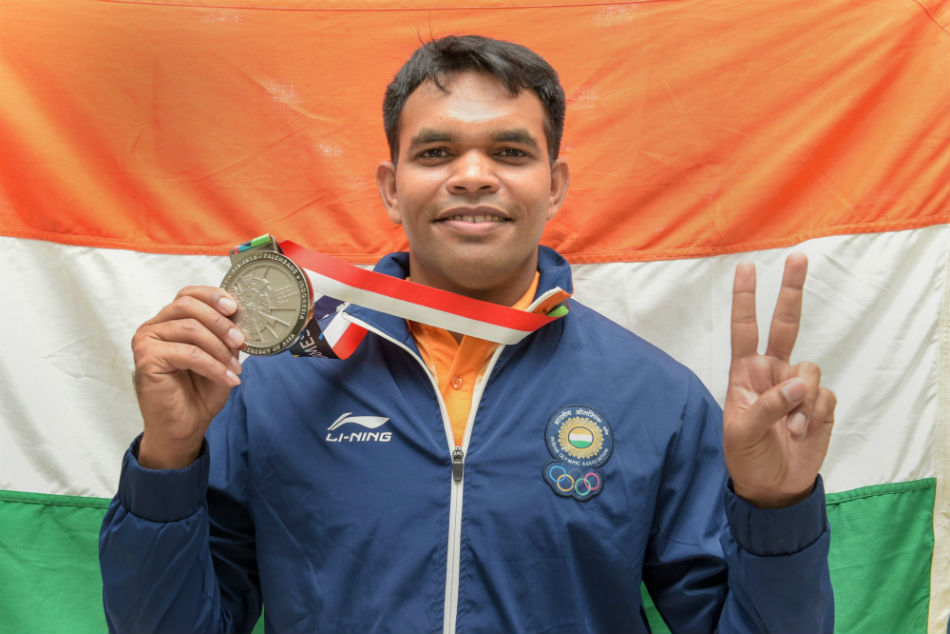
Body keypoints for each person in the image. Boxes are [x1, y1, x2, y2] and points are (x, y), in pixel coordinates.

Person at [99, 35, 837, 633]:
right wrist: (168, 460)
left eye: (511, 153)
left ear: (556, 184)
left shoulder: (656, 396)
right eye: (436, 152)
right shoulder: (269, 386)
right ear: (392, 188)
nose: (473, 176)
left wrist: (777, 508)